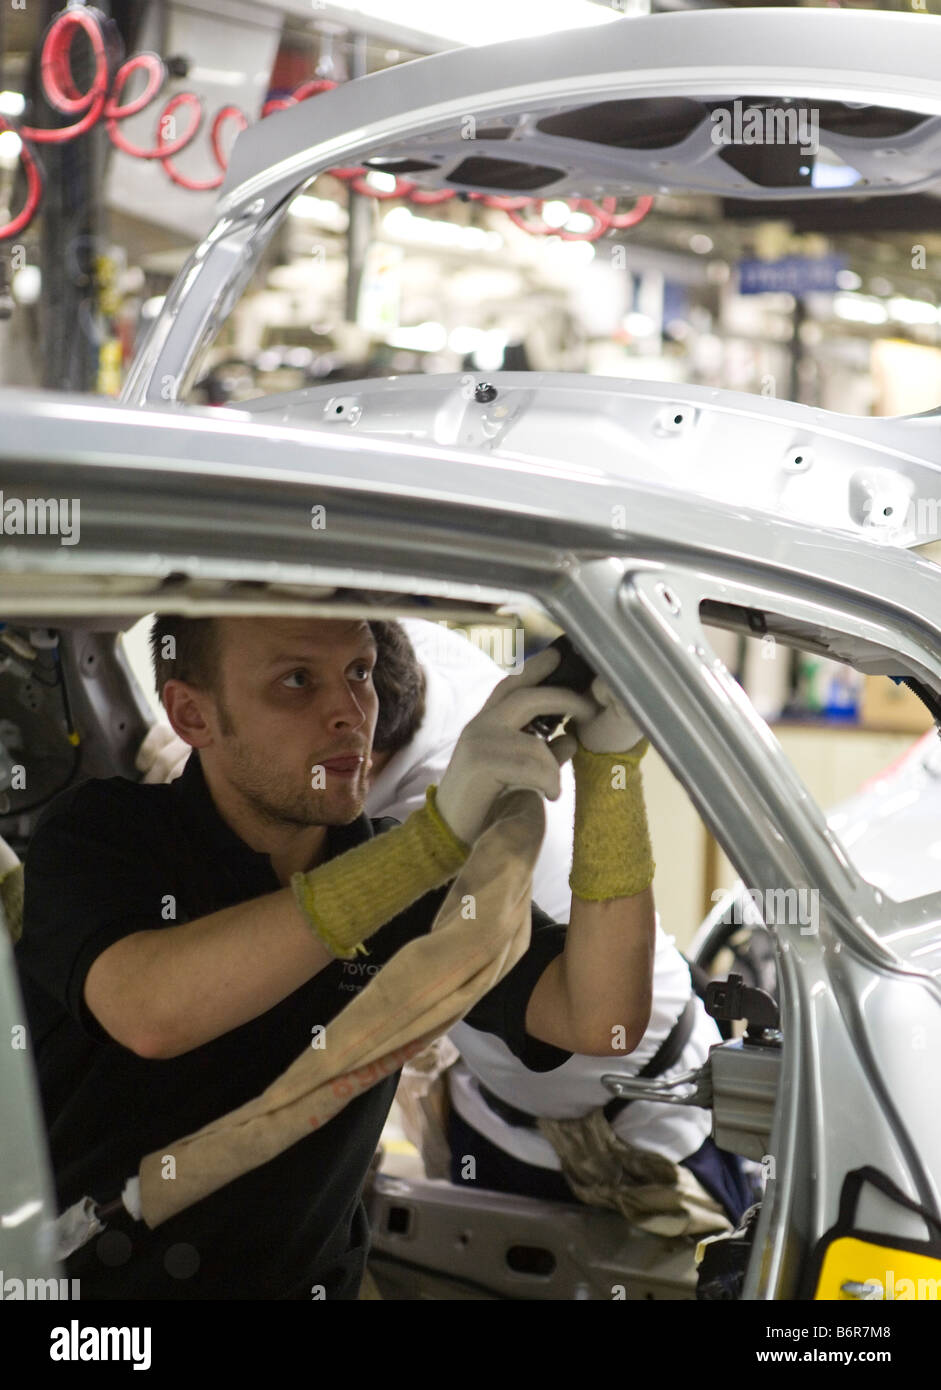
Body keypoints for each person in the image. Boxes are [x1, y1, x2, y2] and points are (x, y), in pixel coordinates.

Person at [15, 614, 655, 1299]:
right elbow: (150, 1011)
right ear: (192, 715)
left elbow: (595, 1019)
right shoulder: (99, 838)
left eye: (358, 673)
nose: (351, 714)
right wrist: (427, 846)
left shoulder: (398, 871)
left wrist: (609, 774)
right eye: (296, 682)